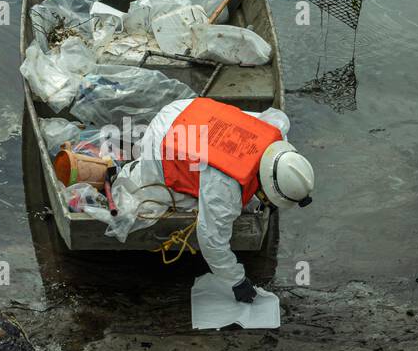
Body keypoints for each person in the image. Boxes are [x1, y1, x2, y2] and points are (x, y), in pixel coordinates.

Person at [119, 96, 315, 303]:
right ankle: (132, 172)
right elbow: (211, 240)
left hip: (185, 109)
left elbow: (277, 116)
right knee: (192, 203)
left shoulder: (276, 134)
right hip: (159, 143)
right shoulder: (224, 188)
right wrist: (236, 281)